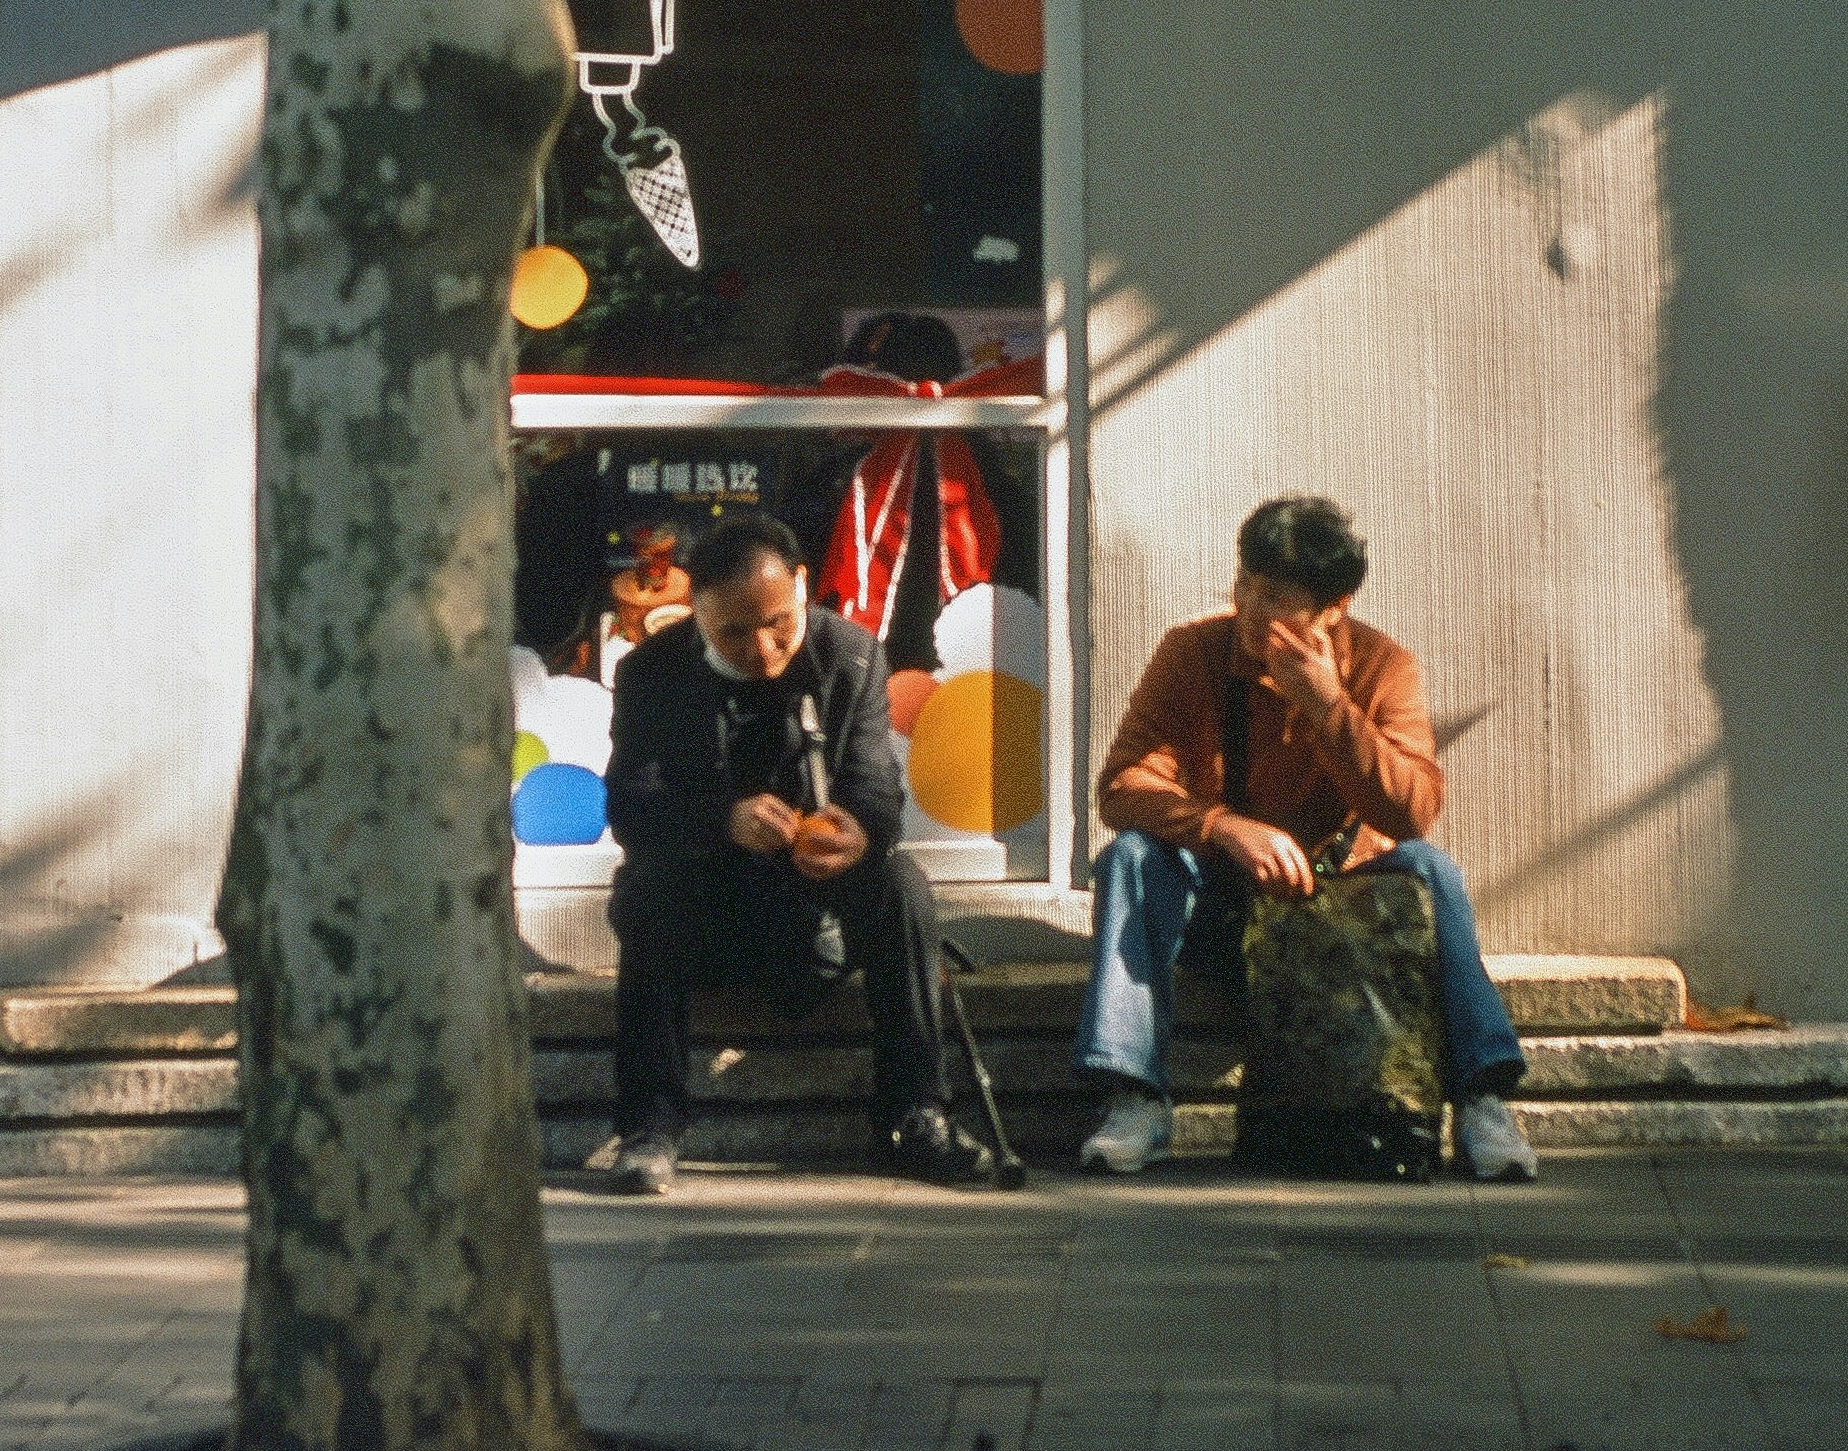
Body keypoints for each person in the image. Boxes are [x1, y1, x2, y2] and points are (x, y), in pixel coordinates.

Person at [1071, 493, 1533, 1182]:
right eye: (1245, 585)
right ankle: (1134, 1096)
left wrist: (1328, 708)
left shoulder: (1383, 667)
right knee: (1132, 858)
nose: (1253, 612)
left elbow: (1412, 810)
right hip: (1218, 909)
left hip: (1334, 913)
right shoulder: (1194, 652)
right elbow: (1122, 786)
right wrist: (1220, 827)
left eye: (1278, 596)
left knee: (1430, 869)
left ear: (1333, 607)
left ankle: (1482, 1098)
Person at [593, 517, 997, 1197]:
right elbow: (631, 808)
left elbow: (875, 789)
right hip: (707, 897)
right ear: (697, 614)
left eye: (781, 622)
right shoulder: (650, 674)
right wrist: (722, 820)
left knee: (902, 882)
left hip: (818, 897)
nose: (763, 647)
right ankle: (650, 1124)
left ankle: (916, 1112)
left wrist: (859, 833)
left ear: (805, 586)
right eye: (733, 632)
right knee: (647, 889)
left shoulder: (853, 655)